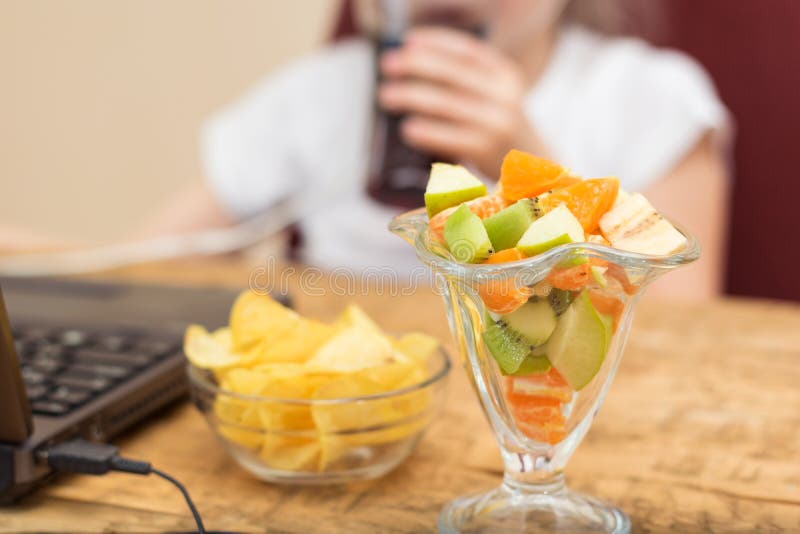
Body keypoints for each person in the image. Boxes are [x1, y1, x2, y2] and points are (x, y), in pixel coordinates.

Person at [7, 0, 732, 298]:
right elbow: (140, 270)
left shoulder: (649, 98)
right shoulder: (318, 97)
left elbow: (690, 330)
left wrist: (526, 162)